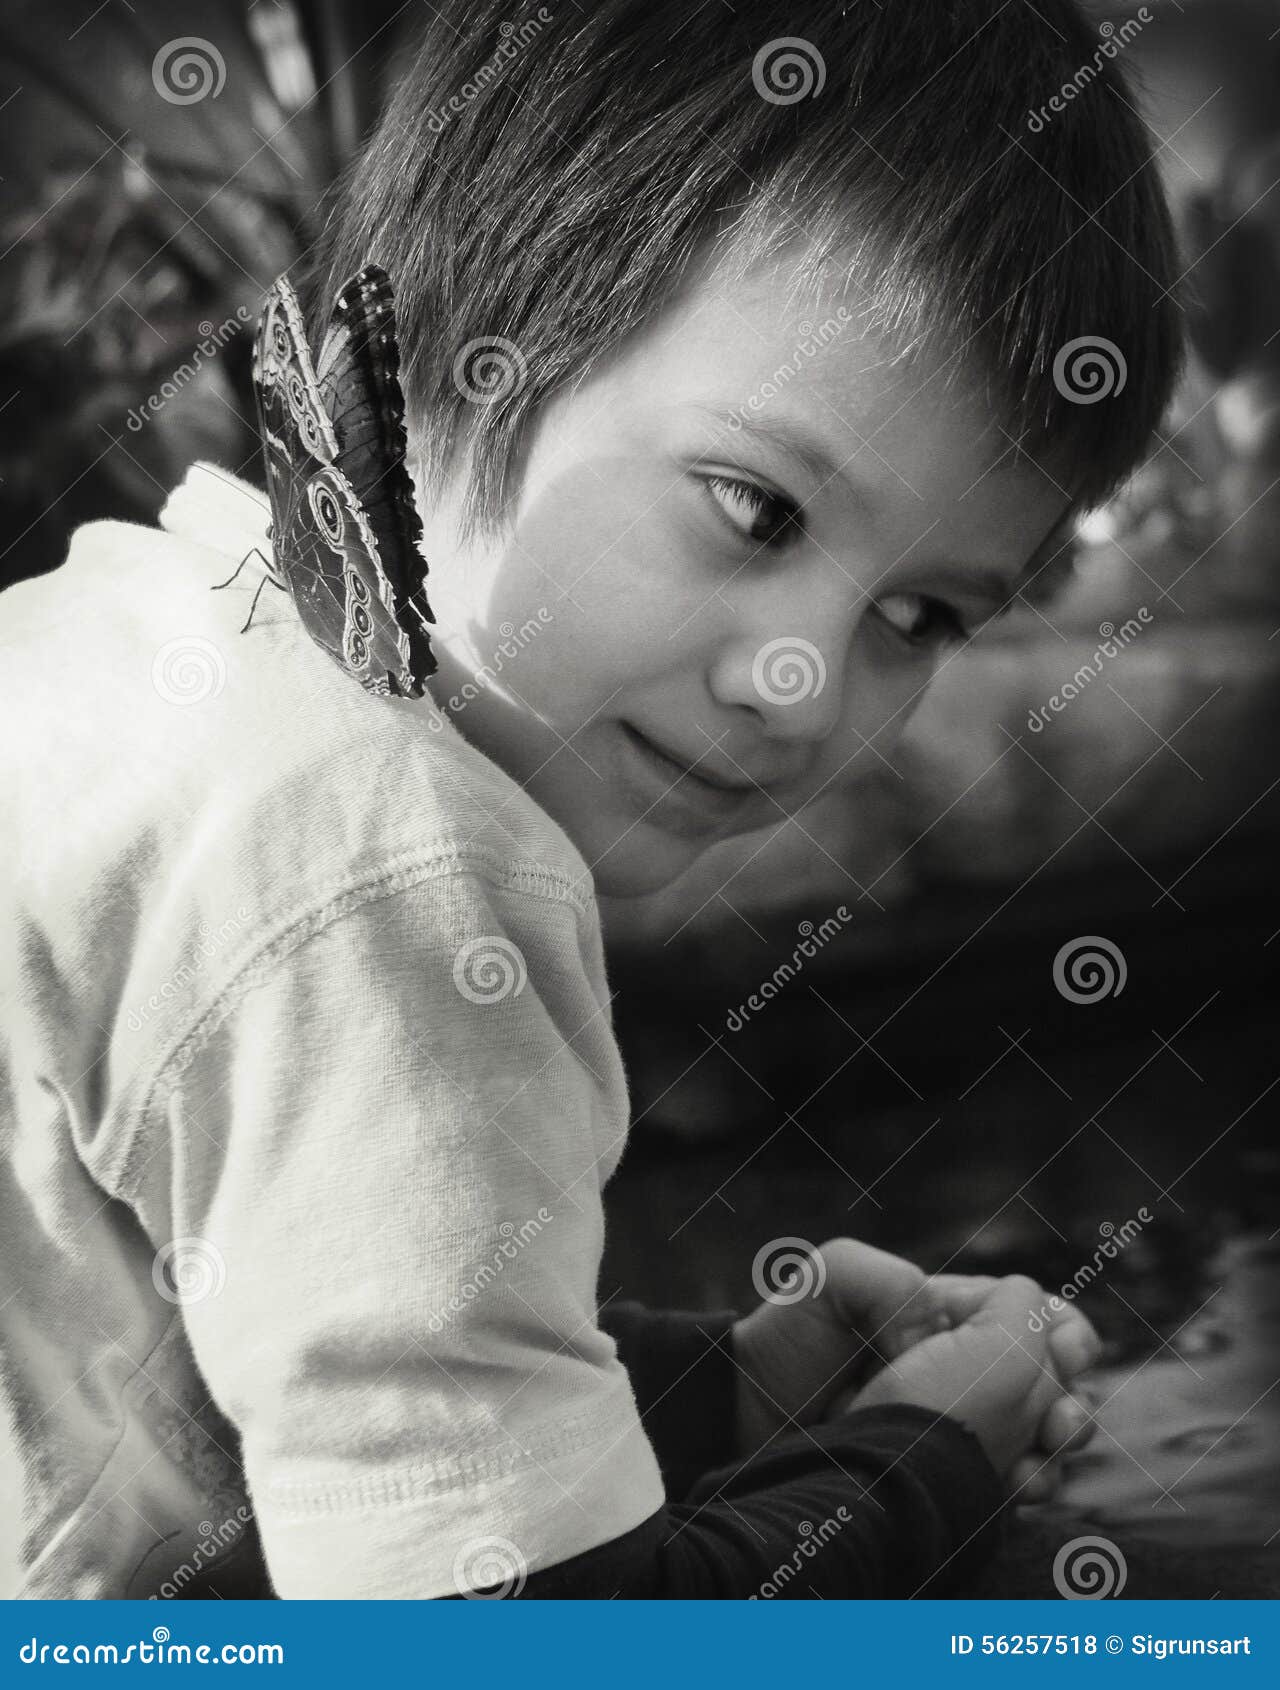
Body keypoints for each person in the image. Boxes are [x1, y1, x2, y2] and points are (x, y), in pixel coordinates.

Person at [0, 0, 1180, 1598]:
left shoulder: (156, 627)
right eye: (754, 509)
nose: (804, 687)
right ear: (479, 337)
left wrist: (727, 1391)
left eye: (922, 619)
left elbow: (268, 1352)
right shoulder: (383, 854)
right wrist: (929, 1451)